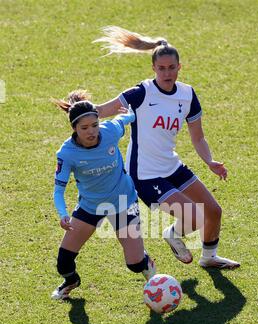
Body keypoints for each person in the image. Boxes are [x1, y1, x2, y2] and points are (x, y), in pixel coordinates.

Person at [93, 26, 240, 269]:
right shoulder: (141, 93)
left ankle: (209, 257)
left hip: (171, 166)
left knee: (213, 210)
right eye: (161, 68)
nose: (167, 73)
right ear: (153, 68)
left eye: (172, 67)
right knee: (194, 216)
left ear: (179, 67)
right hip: (146, 174)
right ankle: (173, 233)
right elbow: (103, 110)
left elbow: (198, 138)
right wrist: (79, 108)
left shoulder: (187, 95)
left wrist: (210, 162)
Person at [51, 89, 156, 300]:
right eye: (84, 128)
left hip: (123, 200)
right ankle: (71, 282)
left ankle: (146, 264)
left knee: (135, 264)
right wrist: (63, 214)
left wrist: (130, 112)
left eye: (94, 125)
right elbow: (58, 190)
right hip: (91, 205)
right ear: (74, 129)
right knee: (64, 262)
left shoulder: (109, 131)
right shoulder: (67, 153)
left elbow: (126, 118)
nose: (91, 132)